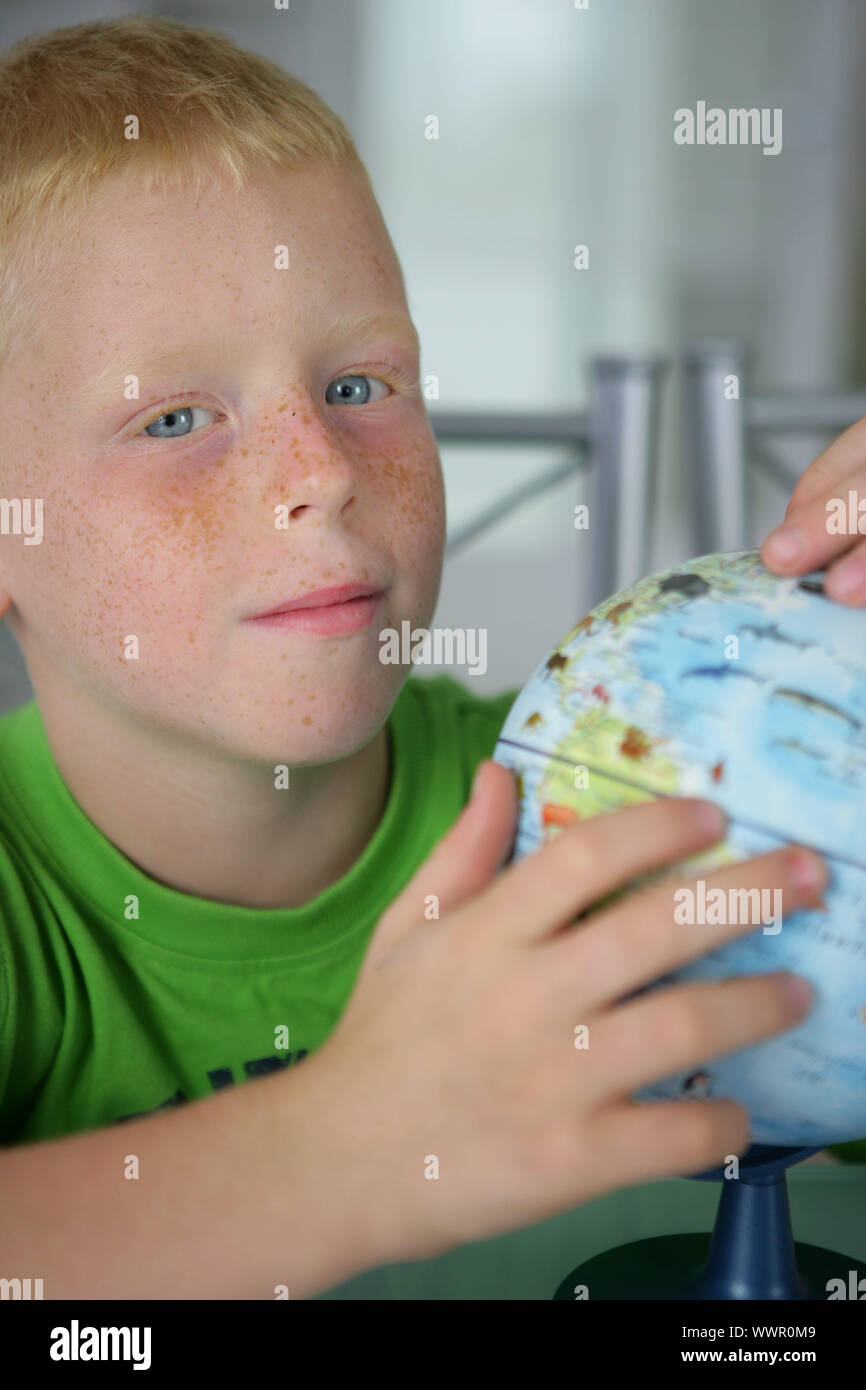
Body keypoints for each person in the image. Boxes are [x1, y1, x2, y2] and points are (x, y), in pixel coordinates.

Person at [0, 16, 851, 1301]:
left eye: (360, 385)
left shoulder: (619, 787)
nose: (320, 474)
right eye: (175, 416)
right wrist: (339, 1154)